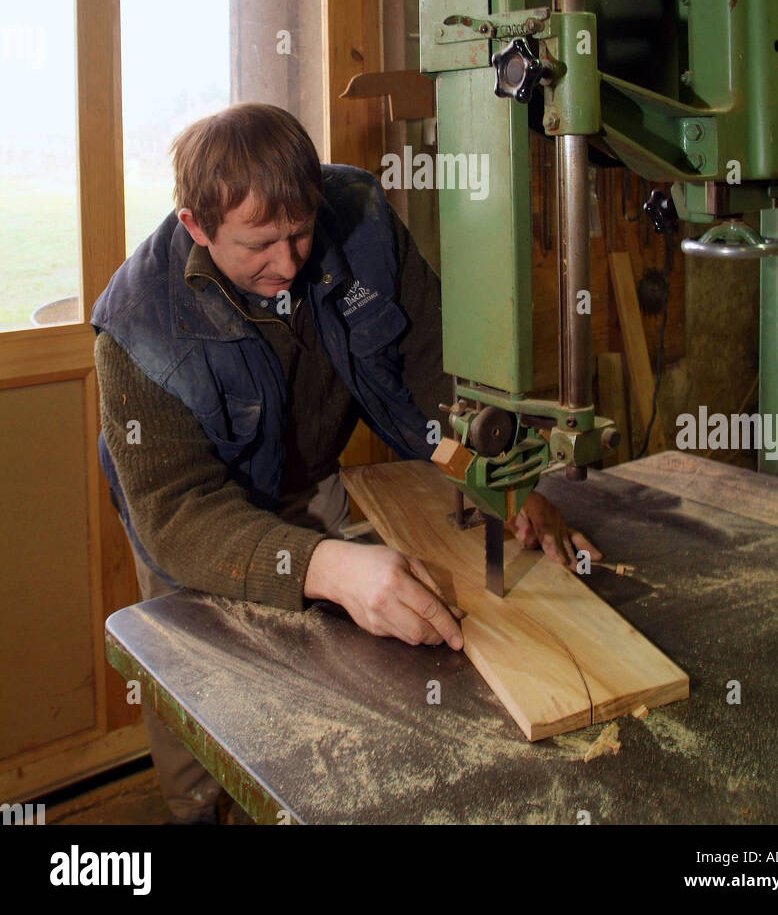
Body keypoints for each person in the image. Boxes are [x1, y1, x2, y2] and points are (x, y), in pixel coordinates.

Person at [92, 102, 600, 822]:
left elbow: (432, 372)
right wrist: (325, 565)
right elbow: (177, 516)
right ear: (195, 228)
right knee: (208, 709)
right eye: (258, 244)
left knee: (321, 703)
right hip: (196, 520)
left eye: (299, 231)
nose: (289, 260)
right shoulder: (136, 329)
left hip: (310, 476)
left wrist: (505, 483)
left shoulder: (356, 216)